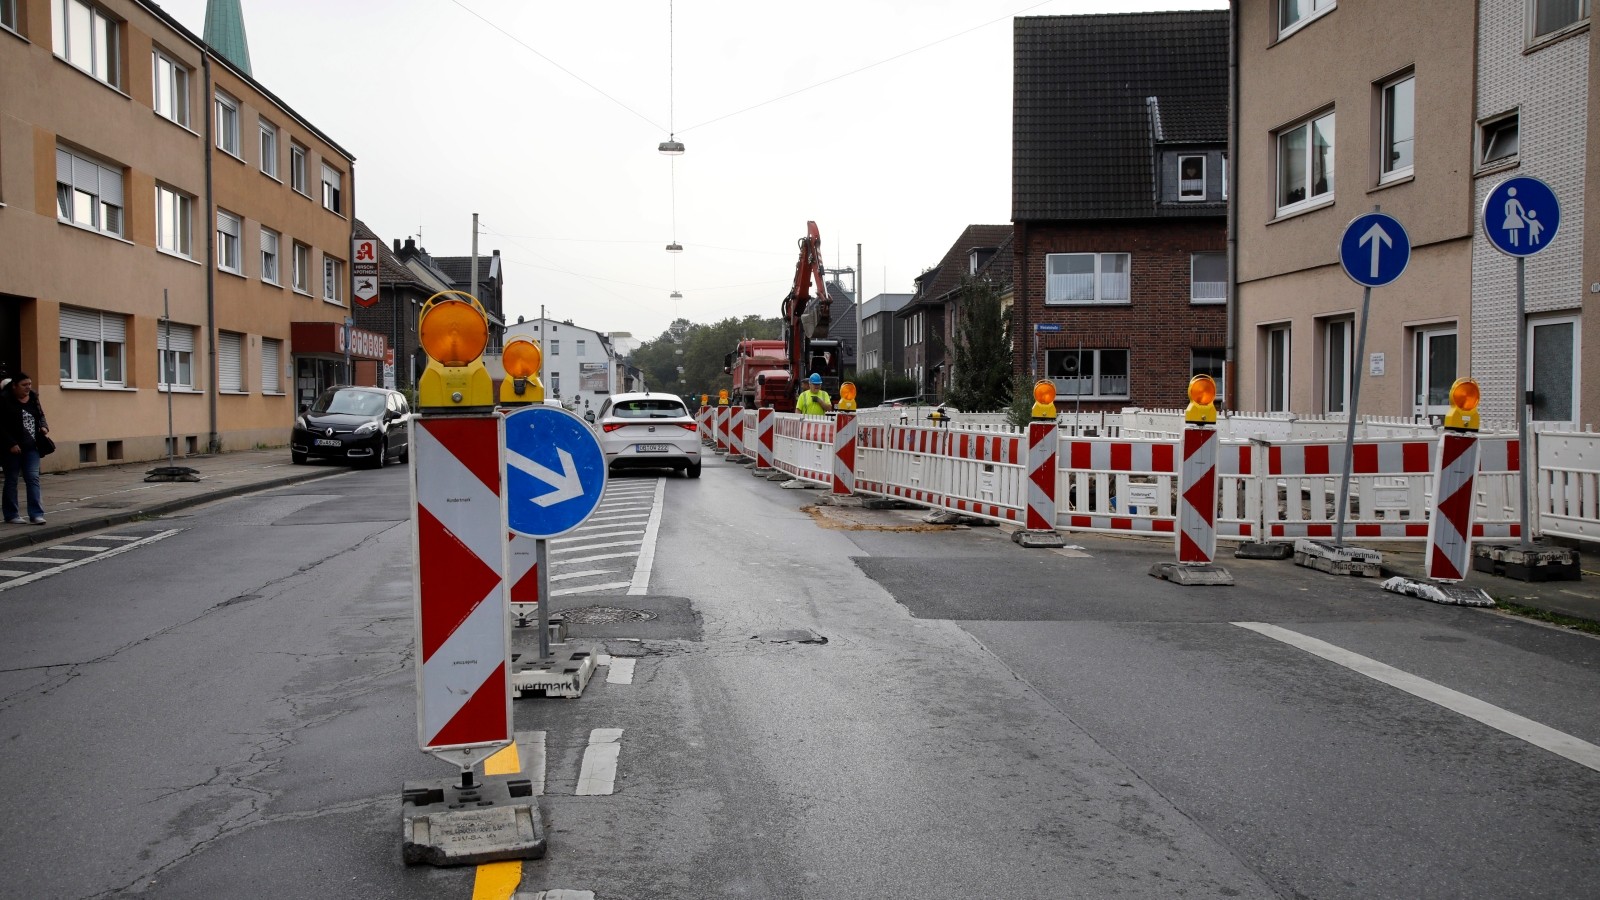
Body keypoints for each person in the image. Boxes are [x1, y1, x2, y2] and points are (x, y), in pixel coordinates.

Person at [1, 372, 49, 525]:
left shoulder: (33, 397)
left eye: (29, 384)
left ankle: (36, 514)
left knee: (33, 478)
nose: (28, 387)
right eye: (24, 385)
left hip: (31, 446)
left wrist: (43, 426)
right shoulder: (4, 399)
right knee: (12, 480)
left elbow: (40, 414)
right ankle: (11, 514)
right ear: (14, 386)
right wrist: (11, 443)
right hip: (12, 448)